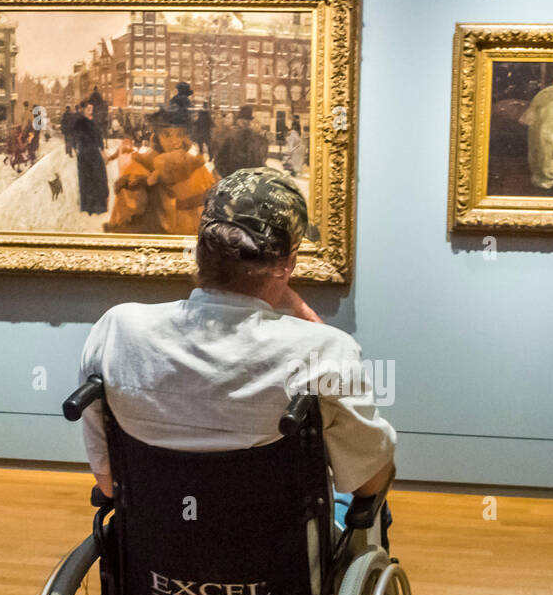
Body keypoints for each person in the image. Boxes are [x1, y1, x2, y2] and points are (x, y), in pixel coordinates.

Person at [79, 164, 394, 525]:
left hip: (156, 547)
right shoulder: (324, 351)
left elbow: (107, 484)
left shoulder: (117, 329)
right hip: (277, 554)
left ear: (199, 252)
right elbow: (369, 482)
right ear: (288, 263)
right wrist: (299, 310)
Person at [112, 106, 217, 234]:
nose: (174, 141)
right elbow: (125, 219)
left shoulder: (198, 170)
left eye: (179, 135)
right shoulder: (140, 167)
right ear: (157, 136)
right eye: (166, 135)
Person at [70, 100, 109, 216]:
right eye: (88, 109)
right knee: (88, 180)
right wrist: (76, 148)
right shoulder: (80, 123)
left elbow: (98, 138)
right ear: (83, 110)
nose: (91, 111)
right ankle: (89, 207)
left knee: (99, 178)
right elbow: (75, 137)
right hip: (85, 155)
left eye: (91, 109)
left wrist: (102, 151)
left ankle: (99, 207)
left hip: (93, 154)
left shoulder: (93, 122)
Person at [214, 104, 268, 177]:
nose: (246, 122)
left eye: (248, 120)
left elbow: (259, 160)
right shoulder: (230, 137)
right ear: (238, 120)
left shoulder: (255, 138)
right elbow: (219, 160)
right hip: (235, 178)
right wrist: (228, 176)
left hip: (250, 179)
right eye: (243, 120)